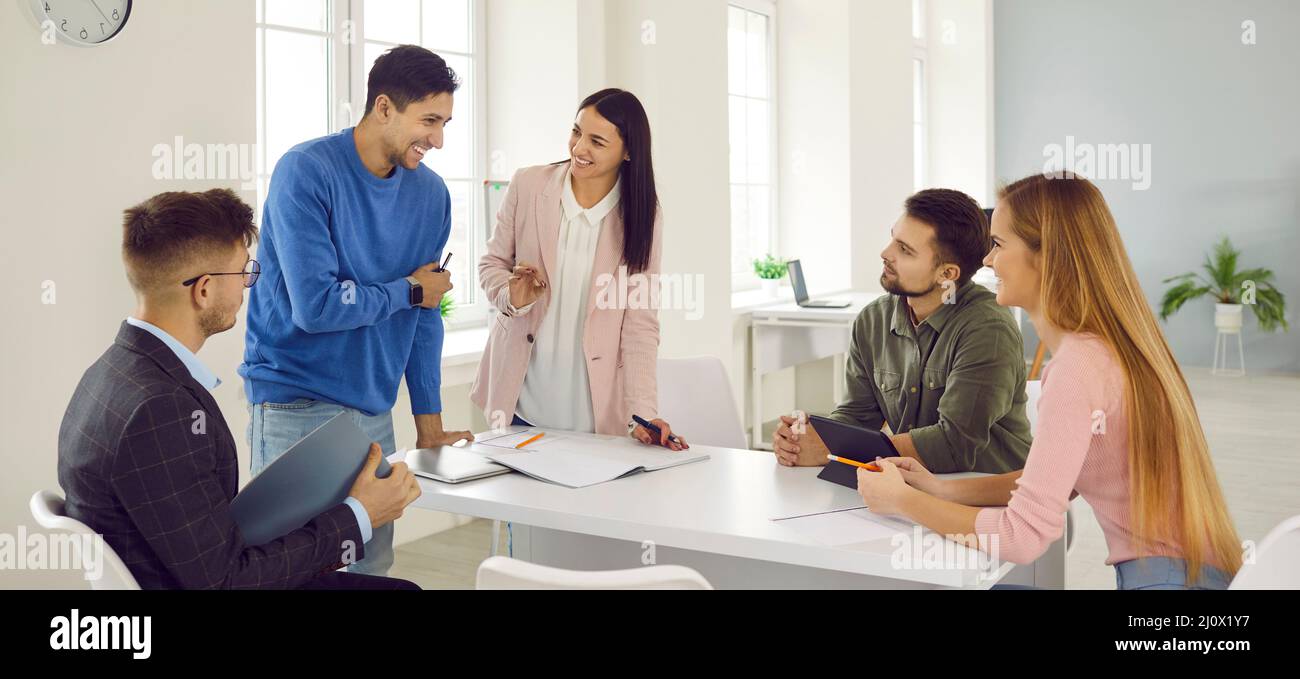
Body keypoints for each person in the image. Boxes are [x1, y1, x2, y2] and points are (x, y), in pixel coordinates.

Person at [857, 173, 1242, 589]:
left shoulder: (1076, 368)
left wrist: (904, 501)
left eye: (999, 245)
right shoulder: (1106, 349)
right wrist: (939, 490)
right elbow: (1062, 482)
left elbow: (1021, 538)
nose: (987, 261)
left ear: (1046, 257)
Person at [58, 189, 422, 590]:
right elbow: (226, 580)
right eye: (244, 273)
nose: (248, 287)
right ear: (204, 290)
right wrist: (360, 515)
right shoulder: (161, 408)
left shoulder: (110, 371)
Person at [239, 45, 473, 577]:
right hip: (296, 410)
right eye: (429, 121)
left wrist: (429, 424)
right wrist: (409, 291)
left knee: (369, 573)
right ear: (384, 107)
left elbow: (424, 315)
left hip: (373, 414)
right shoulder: (306, 172)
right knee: (288, 575)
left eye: (445, 123)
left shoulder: (432, 195)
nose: (438, 139)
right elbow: (317, 308)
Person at [471, 89, 687, 449]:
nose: (578, 148)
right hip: (517, 406)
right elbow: (492, 263)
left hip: (593, 417)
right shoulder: (528, 185)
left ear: (628, 151)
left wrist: (644, 412)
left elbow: (640, 324)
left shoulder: (642, 217)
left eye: (597, 141)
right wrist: (513, 294)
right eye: (576, 132)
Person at [773, 189, 1030, 473]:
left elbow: (953, 445)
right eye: (893, 238)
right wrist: (812, 437)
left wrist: (834, 449)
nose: (885, 253)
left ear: (947, 274)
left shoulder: (987, 330)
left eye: (905, 250)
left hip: (988, 494)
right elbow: (858, 416)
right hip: (910, 485)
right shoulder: (874, 319)